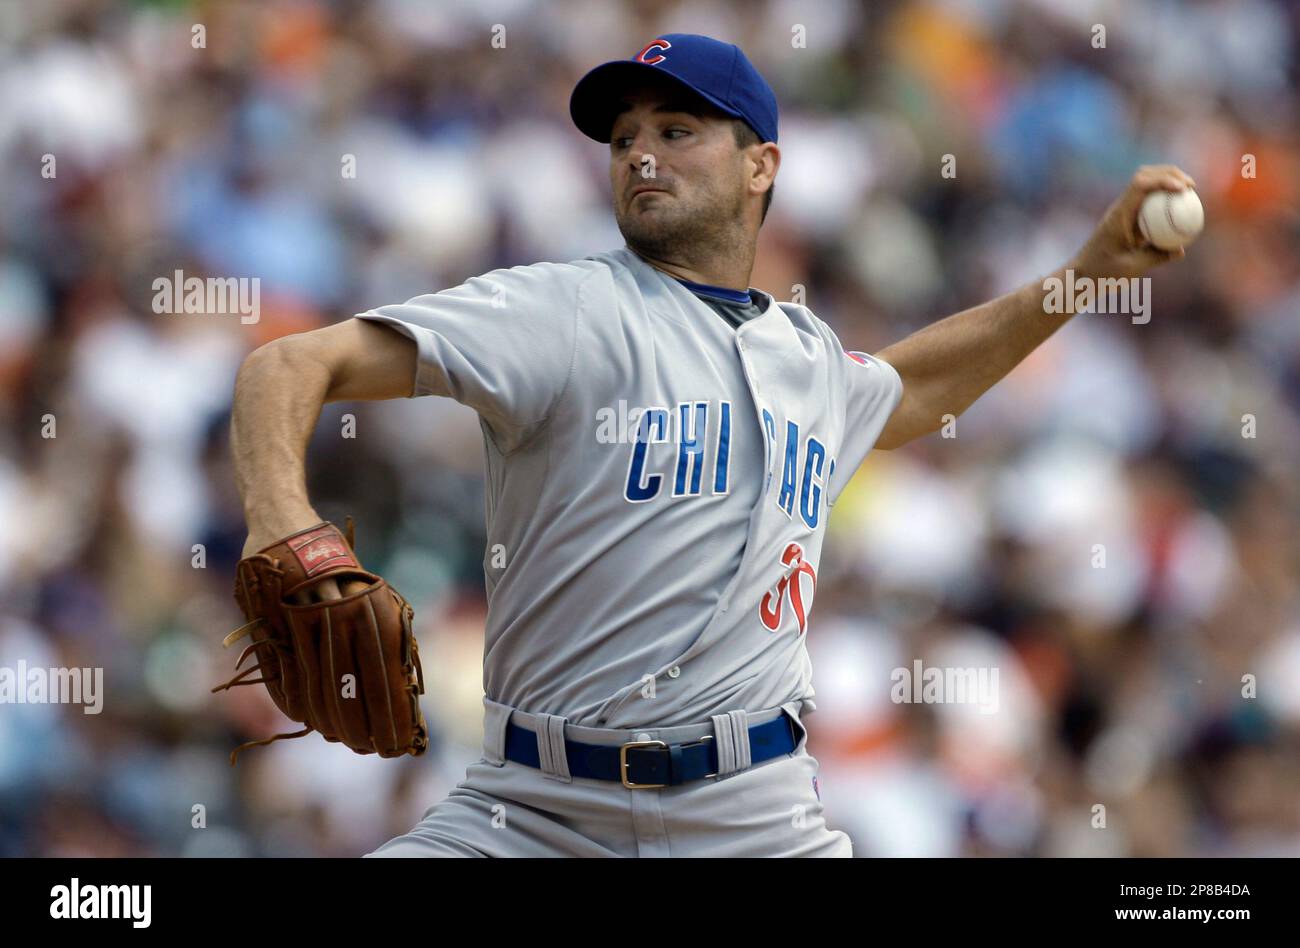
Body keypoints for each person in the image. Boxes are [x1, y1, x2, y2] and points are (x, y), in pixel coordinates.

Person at [229, 33, 1193, 857]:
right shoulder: (564, 308)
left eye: (676, 131)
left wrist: (1084, 276)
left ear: (760, 165)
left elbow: (911, 390)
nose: (641, 154)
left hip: (755, 816)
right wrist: (284, 524)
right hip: (531, 811)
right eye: (624, 138)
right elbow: (288, 366)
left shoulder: (807, 356)